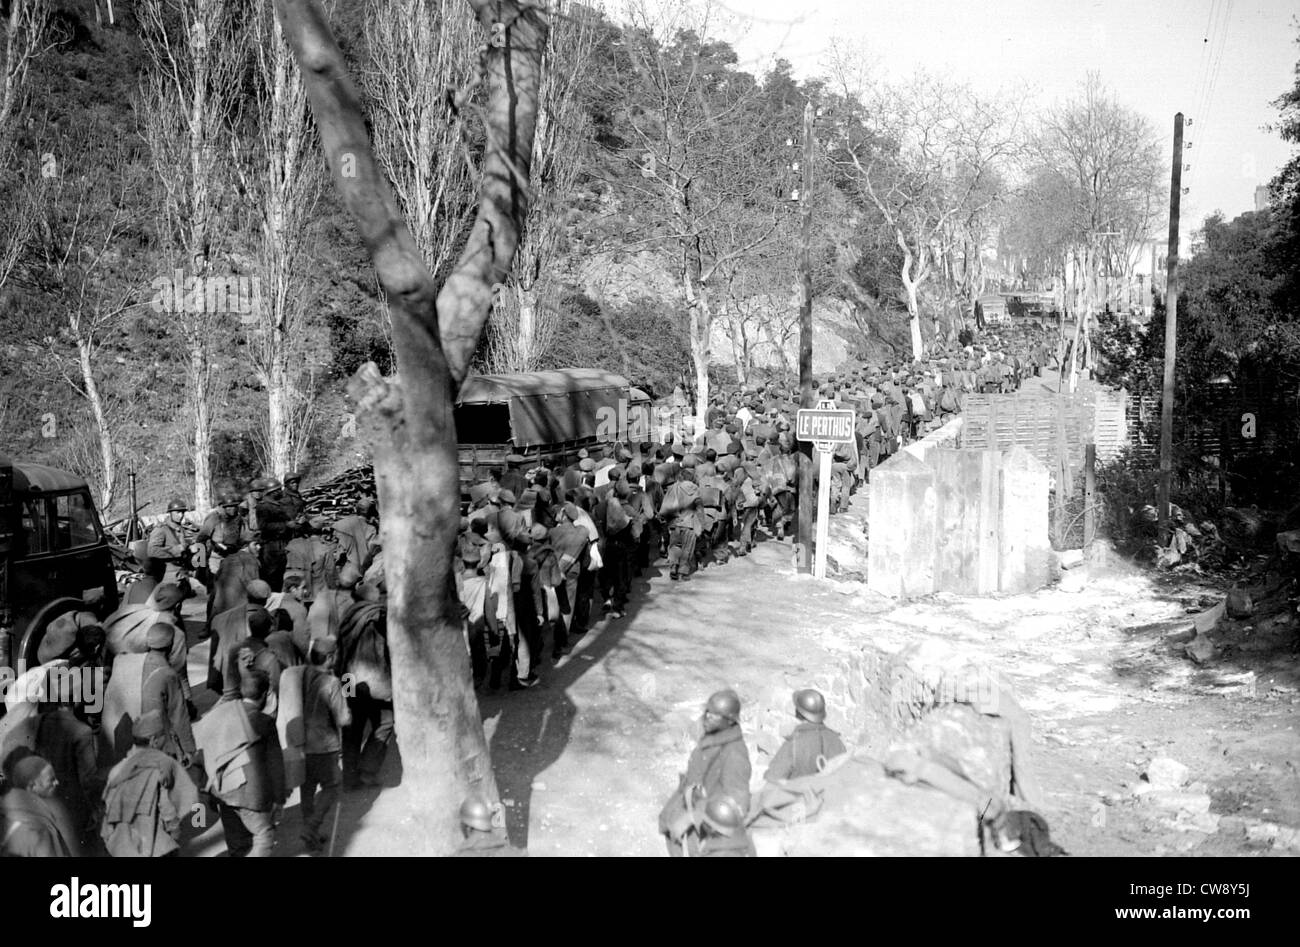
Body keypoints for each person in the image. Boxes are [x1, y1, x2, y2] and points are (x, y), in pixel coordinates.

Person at [194, 669, 285, 857]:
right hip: (250, 794)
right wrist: (279, 798)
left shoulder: (220, 713)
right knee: (264, 836)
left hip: (222, 789)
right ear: (267, 694)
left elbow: (203, 752)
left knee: (236, 844)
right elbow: (276, 765)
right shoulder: (264, 721)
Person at [658, 689, 752, 857]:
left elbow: (738, 805)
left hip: (708, 828)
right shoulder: (715, 738)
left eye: (715, 715)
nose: (707, 717)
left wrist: (693, 817)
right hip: (693, 812)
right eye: (707, 711)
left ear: (730, 721)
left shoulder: (734, 754)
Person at [99, 711, 199, 857]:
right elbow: (168, 810)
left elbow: (107, 810)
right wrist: (174, 835)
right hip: (155, 846)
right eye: (163, 735)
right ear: (153, 741)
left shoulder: (117, 770)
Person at [285, 637, 350, 854]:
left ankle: (311, 838)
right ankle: (311, 828)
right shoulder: (332, 683)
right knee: (332, 786)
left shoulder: (301, 674)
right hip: (325, 745)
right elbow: (343, 719)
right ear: (330, 657)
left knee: (308, 790)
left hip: (302, 742)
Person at [338, 583, 393, 789]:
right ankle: (368, 769)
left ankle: (349, 777)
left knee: (352, 727)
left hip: (348, 678)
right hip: (373, 680)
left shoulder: (347, 616)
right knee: (386, 722)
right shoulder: (377, 616)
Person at [139, 623, 197, 767]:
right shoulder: (168, 674)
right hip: (161, 741)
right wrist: (188, 749)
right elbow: (178, 715)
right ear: (171, 645)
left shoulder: (141, 662)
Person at [0, 754, 80, 856]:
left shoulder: (7, 810)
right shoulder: (41, 824)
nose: (57, 782)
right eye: (51, 780)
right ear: (32, 786)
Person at [763, 689, 846, 783]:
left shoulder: (794, 743)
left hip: (802, 796)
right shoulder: (836, 740)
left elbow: (773, 778)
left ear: (798, 713)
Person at [147, 498, 197, 584]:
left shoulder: (179, 528)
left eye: (182, 512)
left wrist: (189, 547)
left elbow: (182, 545)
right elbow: (152, 551)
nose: (181, 515)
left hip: (182, 568)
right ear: (170, 513)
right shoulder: (161, 529)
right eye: (177, 512)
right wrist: (177, 549)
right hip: (167, 571)